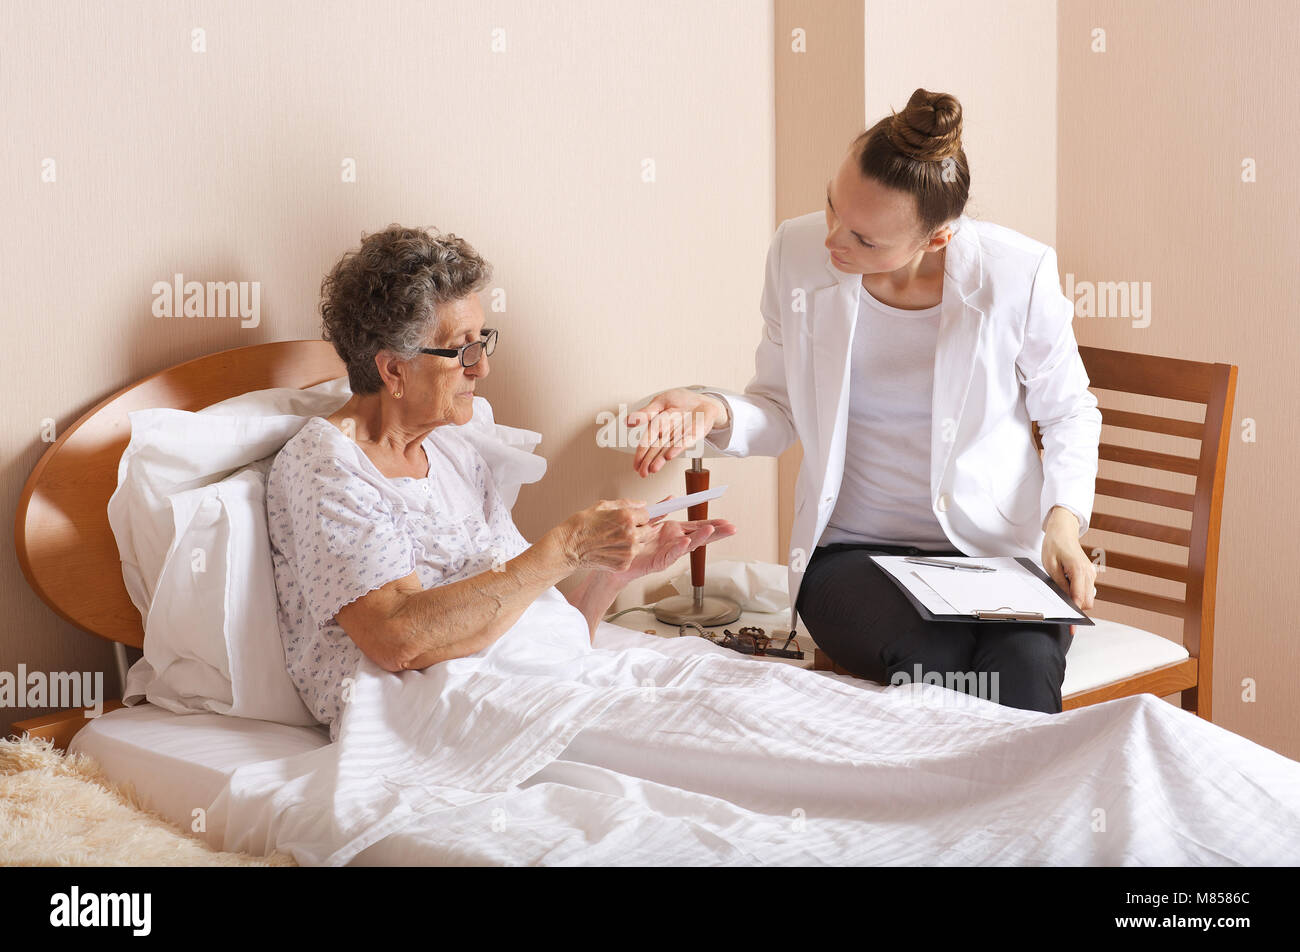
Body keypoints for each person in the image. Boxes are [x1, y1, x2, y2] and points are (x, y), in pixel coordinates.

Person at [627, 88, 1101, 714]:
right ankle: (942, 807)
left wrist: (1062, 527)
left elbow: (1068, 411)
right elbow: (779, 407)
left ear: (936, 240)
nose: (832, 240)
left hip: (990, 556)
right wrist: (713, 410)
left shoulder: (1018, 274)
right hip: (852, 553)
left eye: (865, 238)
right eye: (831, 207)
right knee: (935, 664)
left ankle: (1001, 811)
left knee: (1025, 664)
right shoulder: (796, 254)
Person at [266, 224, 734, 738]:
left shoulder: (453, 448)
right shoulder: (328, 464)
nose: (483, 367)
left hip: (543, 686)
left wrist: (611, 574)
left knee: (746, 716)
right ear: (394, 371)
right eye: (463, 350)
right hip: (447, 715)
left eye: (482, 340)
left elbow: (530, 620)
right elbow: (397, 639)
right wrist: (569, 545)